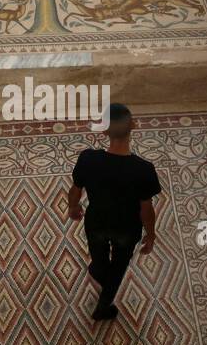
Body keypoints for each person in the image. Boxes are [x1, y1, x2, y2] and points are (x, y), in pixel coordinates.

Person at [67, 103, 162, 320]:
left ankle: (98, 270)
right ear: (134, 126)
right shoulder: (143, 169)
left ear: (104, 130)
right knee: (119, 265)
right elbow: (146, 209)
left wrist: (73, 207)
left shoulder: (88, 159)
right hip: (127, 229)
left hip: (96, 222)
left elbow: (75, 190)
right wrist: (151, 234)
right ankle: (103, 306)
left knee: (98, 255)